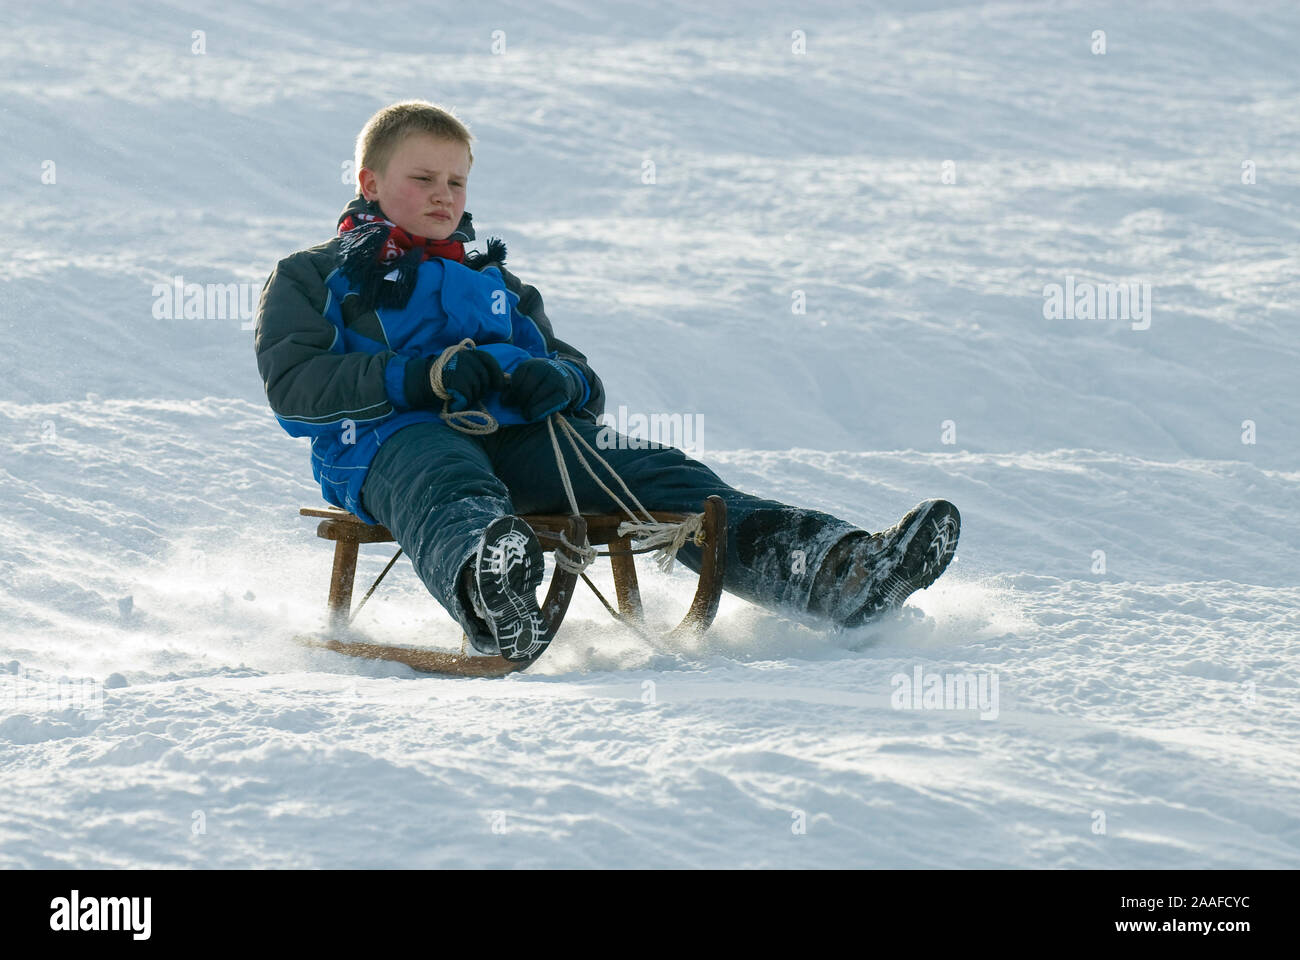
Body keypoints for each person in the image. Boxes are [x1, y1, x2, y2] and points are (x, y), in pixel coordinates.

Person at [254, 100, 959, 662]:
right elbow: (297, 385)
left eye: (457, 180)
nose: (444, 194)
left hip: (521, 438)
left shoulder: (495, 282)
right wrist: (422, 376)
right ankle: (494, 594)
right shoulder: (314, 276)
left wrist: (554, 383)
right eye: (423, 178)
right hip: (388, 444)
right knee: (447, 479)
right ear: (370, 183)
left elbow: (580, 375)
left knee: (660, 471)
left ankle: (836, 574)